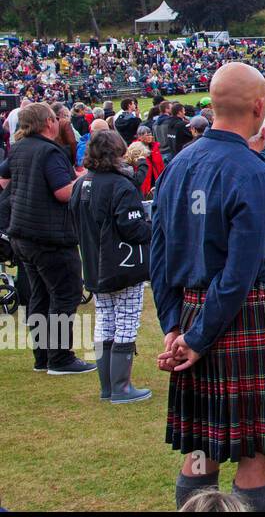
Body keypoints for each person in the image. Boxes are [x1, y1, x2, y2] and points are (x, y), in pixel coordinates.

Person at [151, 63, 265, 512]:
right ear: (260, 107)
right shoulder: (254, 171)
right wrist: (197, 338)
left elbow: (160, 257)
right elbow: (240, 273)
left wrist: (174, 326)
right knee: (255, 452)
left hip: (190, 312)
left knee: (200, 449)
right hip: (249, 316)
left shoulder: (177, 166)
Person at [0, 103, 94, 375]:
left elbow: (4, 180)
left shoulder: (18, 148)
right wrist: (85, 177)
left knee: (39, 296)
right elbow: (63, 193)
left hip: (23, 233)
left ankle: (42, 357)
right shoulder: (48, 151)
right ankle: (61, 358)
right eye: (55, 118)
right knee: (65, 295)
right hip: (50, 236)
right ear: (47, 123)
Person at [71, 129, 154, 403]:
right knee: (126, 320)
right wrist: (154, 227)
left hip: (94, 263)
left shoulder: (82, 183)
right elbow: (132, 229)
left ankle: (109, 387)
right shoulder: (120, 185)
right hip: (122, 264)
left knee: (105, 321)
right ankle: (121, 387)